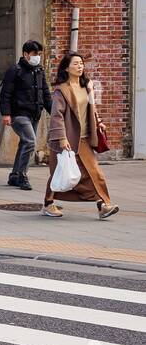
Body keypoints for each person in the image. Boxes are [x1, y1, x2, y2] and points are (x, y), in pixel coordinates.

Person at [42, 53, 118, 220]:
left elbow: (92, 108)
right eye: (76, 63)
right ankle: (48, 203)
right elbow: (56, 115)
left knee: (94, 173)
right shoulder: (61, 90)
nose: (80, 66)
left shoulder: (87, 85)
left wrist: (98, 123)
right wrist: (61, 138)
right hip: (66, 138)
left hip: (84, 138)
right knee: (59, 172)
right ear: (67, 68)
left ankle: (104, 205)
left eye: (81, 63)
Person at [0, 40, 51, 192]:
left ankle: (14, 175)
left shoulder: (39, 71)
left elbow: (45, 94)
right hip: (18, 114)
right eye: (35, 54)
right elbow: (5, 94)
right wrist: (6, 114)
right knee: (30, 142)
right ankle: (22, 175)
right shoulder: (15, 70)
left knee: (24, 143)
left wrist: (54, 112)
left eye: (39, 54)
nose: (38, 57)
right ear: (26, 54)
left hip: (34, 114)